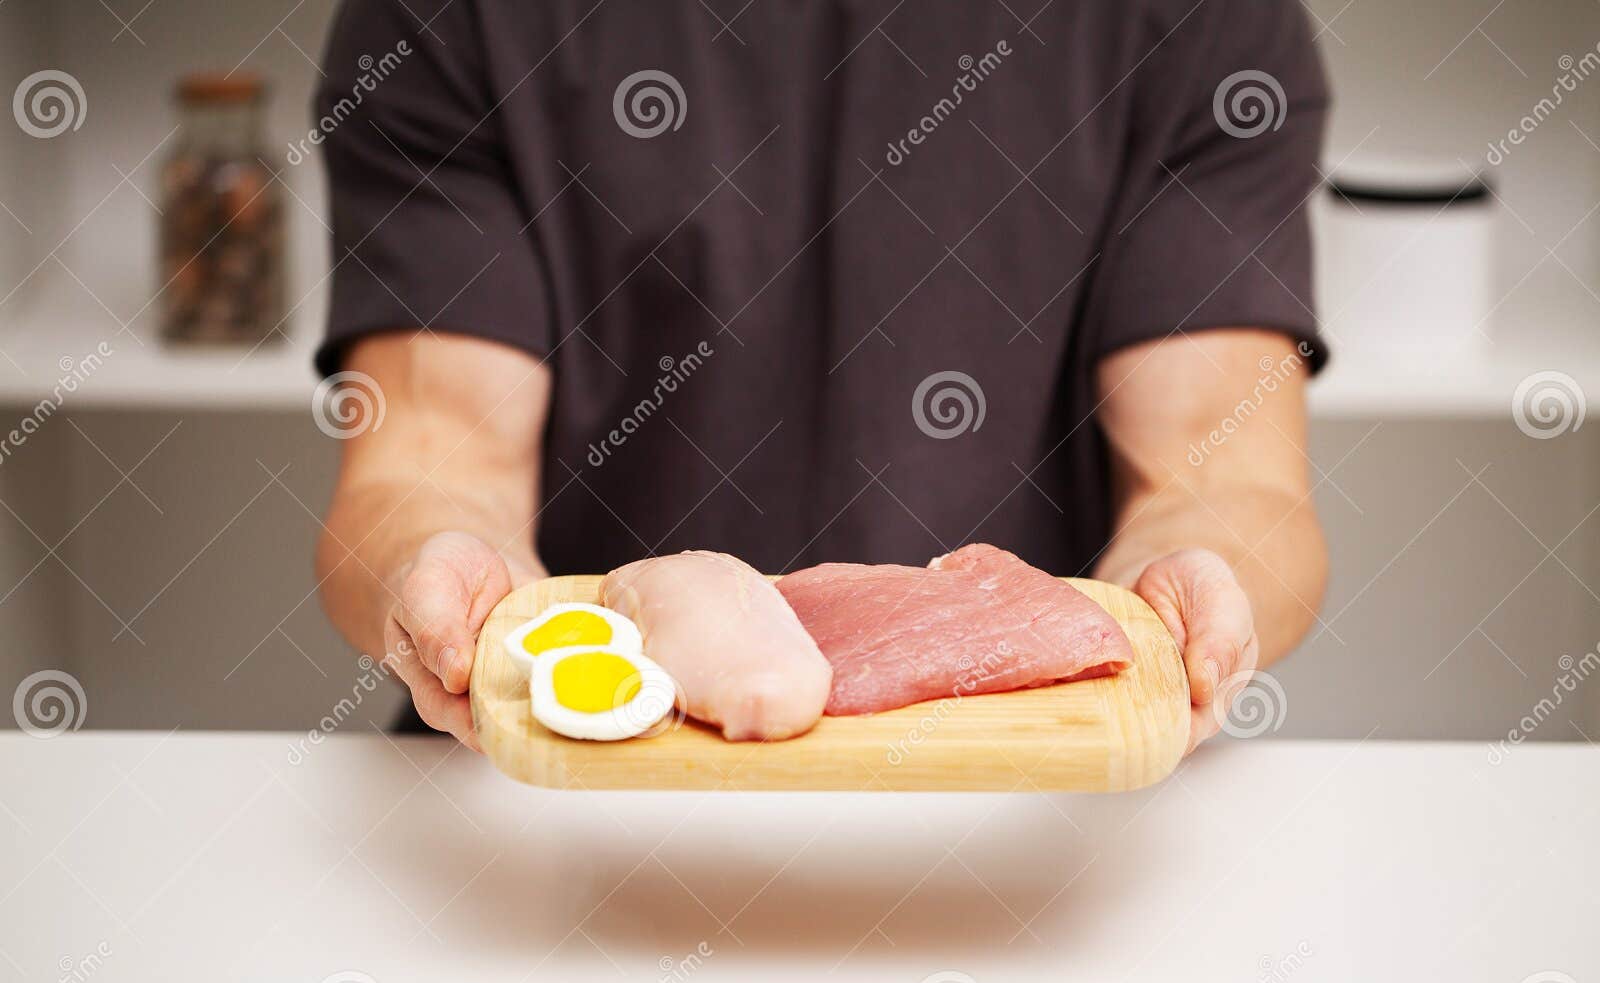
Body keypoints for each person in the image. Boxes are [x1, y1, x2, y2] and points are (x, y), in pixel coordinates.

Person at [312, 0, 1330, 753]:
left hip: (1031, 813)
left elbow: (1219, 479)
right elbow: (432, 464)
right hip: (560, 807)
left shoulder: (1205, 20)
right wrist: (435, 572)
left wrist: (1195, 591)